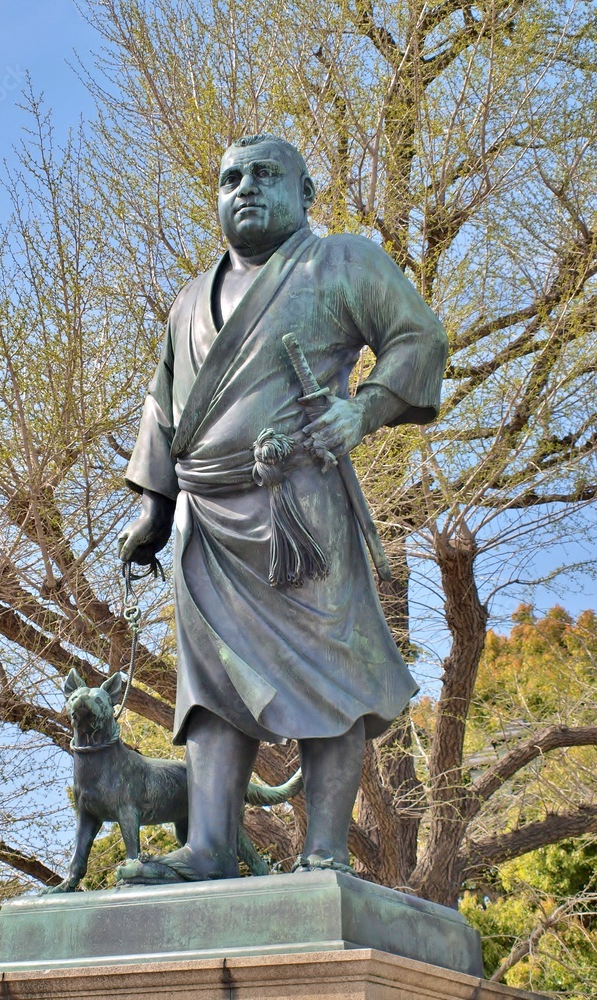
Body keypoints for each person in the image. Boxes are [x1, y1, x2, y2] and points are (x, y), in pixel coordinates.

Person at [117, 134, 447, 884]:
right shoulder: (187, 302)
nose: (247, 189)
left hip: (297, 507)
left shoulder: (342, 263)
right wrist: (154, 511)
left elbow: (418, 337)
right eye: (232, 178)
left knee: (330, 668)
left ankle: (326, 846)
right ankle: (207, 847)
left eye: (268, 176)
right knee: (210, 687)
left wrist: (362, 412)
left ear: (305, 194)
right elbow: (162, 408)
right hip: (208, 519)